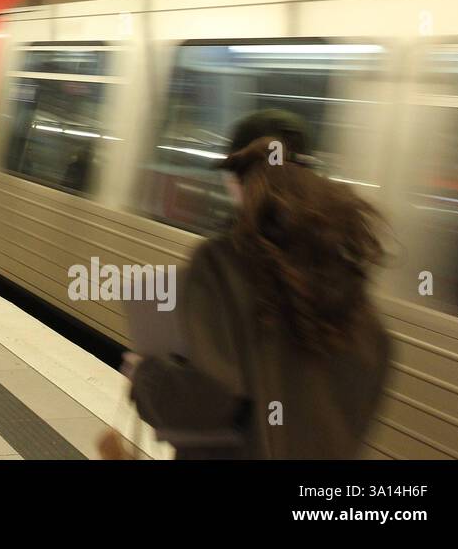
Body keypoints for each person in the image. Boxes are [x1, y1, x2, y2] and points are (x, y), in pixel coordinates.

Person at [125, 109, 390, 458]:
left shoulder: (223, 261)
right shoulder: (346, 273)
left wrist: (146, 377)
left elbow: (209, 398)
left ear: (237, 182)